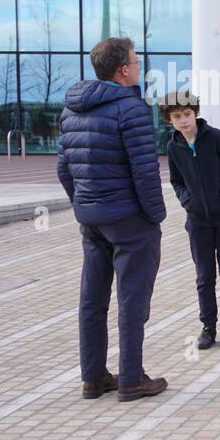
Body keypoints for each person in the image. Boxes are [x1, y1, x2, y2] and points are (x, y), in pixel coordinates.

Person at [56, 37, 168, 402]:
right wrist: (155, 216)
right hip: (128, 219)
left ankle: (93, 378)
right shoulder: (130, 108)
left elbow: (64, 168)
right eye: (135, 62)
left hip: (92, 219)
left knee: (92, 300)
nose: (138, 67)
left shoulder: (71, 108)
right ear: (123, 70)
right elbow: (145, 172)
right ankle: (131, 380)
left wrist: (82, 204)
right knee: (132, 301)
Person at [161, 92, 220, 350]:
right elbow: (176, 181)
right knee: (204, 278)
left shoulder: (215, 137)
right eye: (177, 117)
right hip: (197, 223)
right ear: (169, 120)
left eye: (187, 114)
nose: (184, 120)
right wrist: (187, 202)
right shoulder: (174, 147)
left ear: (195, 113)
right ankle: (208, 328)